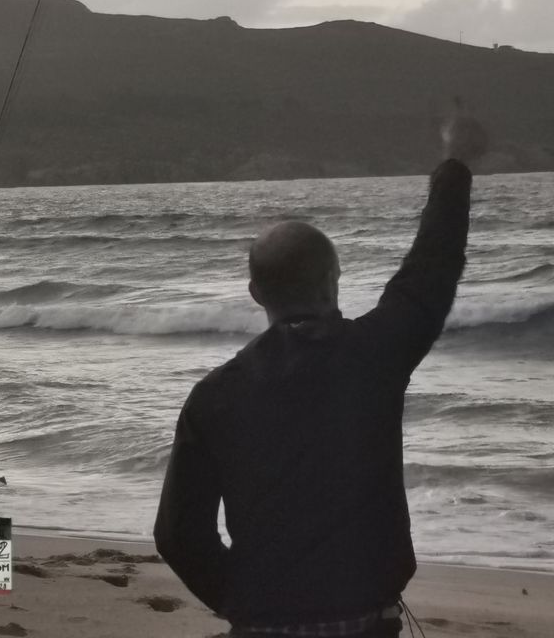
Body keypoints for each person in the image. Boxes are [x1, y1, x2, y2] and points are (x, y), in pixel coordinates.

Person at [153, 111, 487, 637]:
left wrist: (248, 601)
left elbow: (177, 536)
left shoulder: (214, 397)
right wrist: (454, 164)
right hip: (365, 622)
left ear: (256, 293)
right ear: (334, 280)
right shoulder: (374, 355)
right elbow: (431, 268)